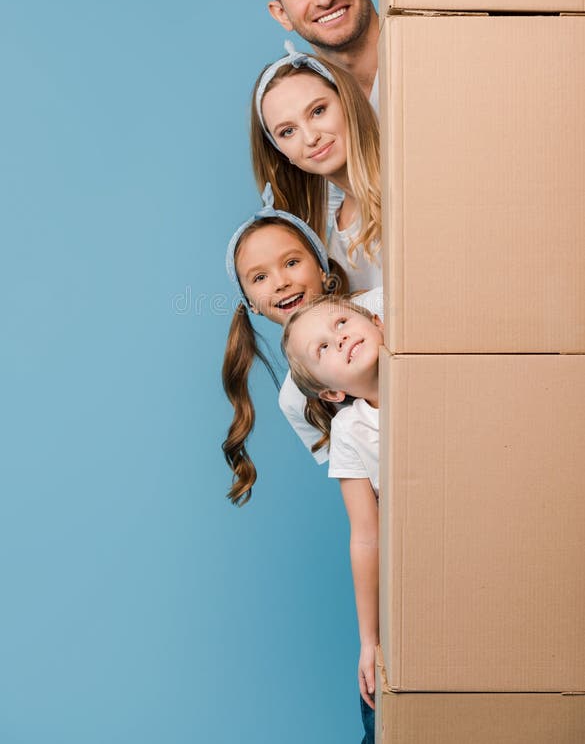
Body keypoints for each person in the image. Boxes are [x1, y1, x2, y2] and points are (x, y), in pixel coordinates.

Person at [222, 183, 383, 507]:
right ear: (250, 303)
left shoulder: (379, 307)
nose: (281, 282)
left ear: (323, 268)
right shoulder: (294, 400)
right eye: (259, 278)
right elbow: (360, 491)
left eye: (292, 262)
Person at [283, 295, 383, 742]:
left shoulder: (434, 376)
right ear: (331, 393)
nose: (339, 337)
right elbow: (365, 536)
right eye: (323, 349)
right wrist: (369, 641)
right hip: (416, 575)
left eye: (342, 321)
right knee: (376, 703)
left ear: (377, 320)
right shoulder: (350, 430)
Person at [251, 45, 381, 291]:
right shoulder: (329, 248)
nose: (311, 137)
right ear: (281, 152)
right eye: (288, 131)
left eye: (318, 111)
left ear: (347, 102)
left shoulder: (407, 178)